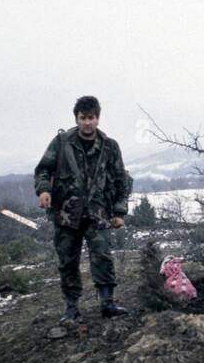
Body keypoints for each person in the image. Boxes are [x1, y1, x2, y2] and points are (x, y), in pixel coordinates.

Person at [34, 95, 133, 321]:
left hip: (98, 213)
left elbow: (121, 181)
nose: (87, 122)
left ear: (98, 118)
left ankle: (108, 302)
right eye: (83, 118)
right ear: (76, 119)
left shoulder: (109, 146)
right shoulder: (61, 143)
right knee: (67, 262)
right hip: (67, 214)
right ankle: (71, 308)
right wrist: (43, 191)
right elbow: (43, 170)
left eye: (92, 118)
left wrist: (119, 212)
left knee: (103, 257)